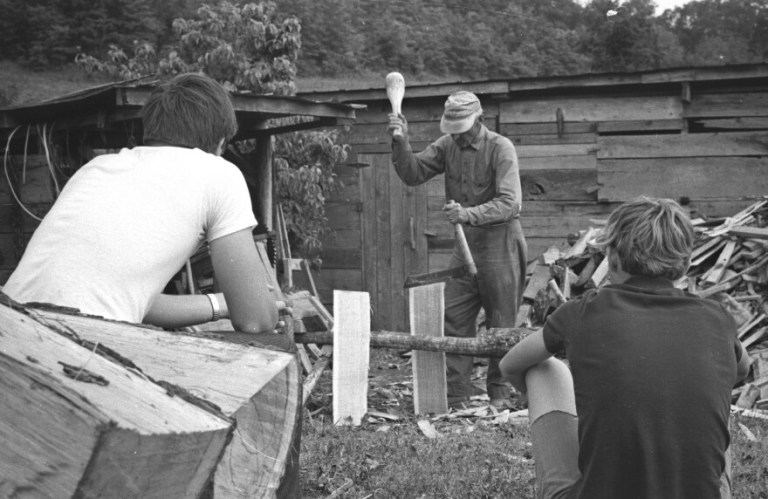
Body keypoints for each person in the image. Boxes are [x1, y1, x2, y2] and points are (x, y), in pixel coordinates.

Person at [500, 196, 752, 499]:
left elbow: (511, 365)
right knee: (710, 395)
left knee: (543, 367)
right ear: (685, 263)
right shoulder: (716, 318)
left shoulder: (583, 311)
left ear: (612, 257)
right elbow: (741, 370)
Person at [3, 73, 278, 333]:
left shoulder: (97, 168)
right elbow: (255, 320)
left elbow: (128, 296)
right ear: (220, 144)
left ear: (150, 130)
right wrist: (261, 304)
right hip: (76, 341)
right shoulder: (218, 172)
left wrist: (221, 304)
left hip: (12, 323)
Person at [388, 90, 527, 408]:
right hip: (466, 247)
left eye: (463, 128)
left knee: (501, 323)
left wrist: (467, 214)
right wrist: (401, 141)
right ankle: (457, 394)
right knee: (454, 316)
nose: (458, 136)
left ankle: (500, 394)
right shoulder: (447, 145)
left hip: (500, 243)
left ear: (479, 119)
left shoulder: (500, 149)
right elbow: (414, 173)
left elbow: (510, 202)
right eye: (453, 128)